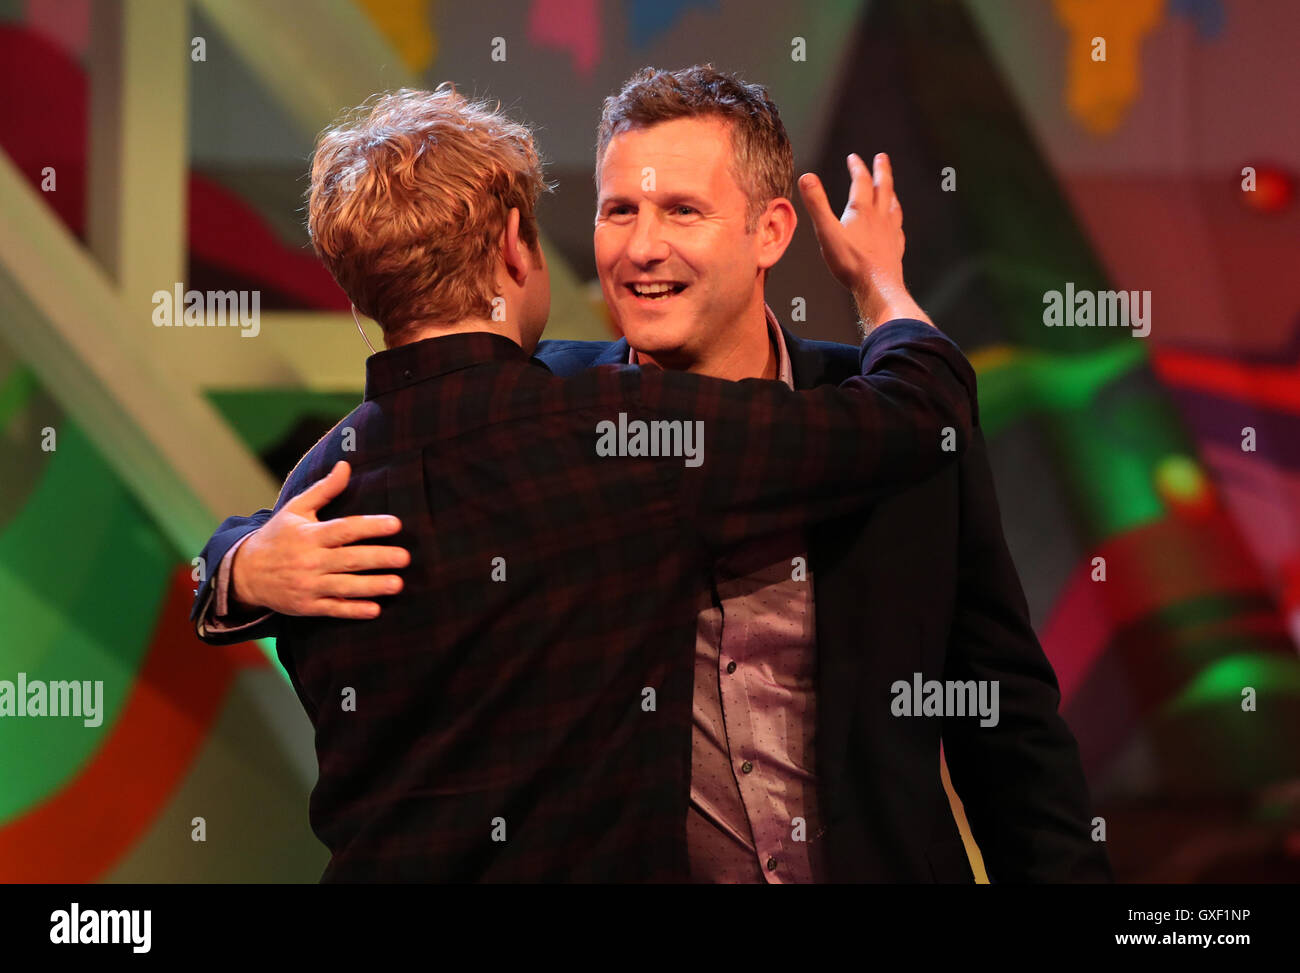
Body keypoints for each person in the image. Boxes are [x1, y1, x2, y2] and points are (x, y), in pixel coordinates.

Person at [195, 66, 1109, 883]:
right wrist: (241, 565)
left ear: (771, 231)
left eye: (681, 210)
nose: (640, 247)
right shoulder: (547, 406)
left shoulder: (886, 428)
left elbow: (1007, 720)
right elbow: (347, 477)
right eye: (617, 211)